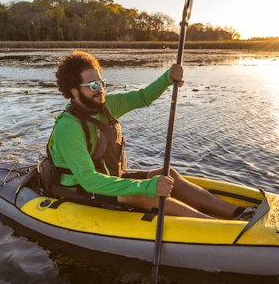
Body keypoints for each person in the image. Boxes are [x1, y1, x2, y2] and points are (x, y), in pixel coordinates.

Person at [44, 51, 254, 220]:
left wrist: (168, 78)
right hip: (81, 190)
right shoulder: (68, 127)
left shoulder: (106, 106)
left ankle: (237, 213)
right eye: (92, 85)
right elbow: (89, 180)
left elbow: (143, 97)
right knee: (149, 196)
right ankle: (216, 226)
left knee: (167, 173)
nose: (100, 89)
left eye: (101, 83)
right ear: (74, 90)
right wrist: (146, 187)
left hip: (108, 178)